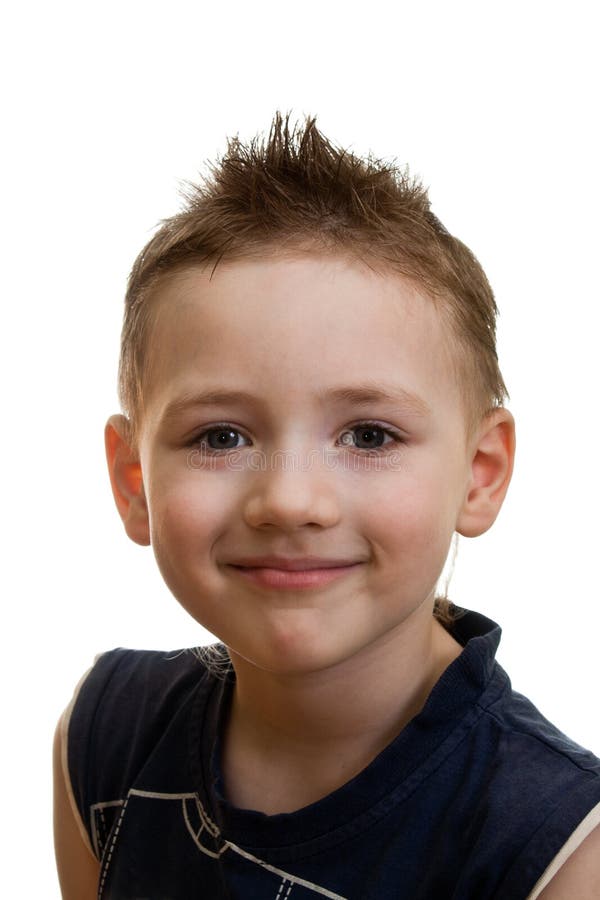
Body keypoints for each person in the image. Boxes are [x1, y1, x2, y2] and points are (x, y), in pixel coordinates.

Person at [53, 112, 600, 899]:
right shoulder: (105, 739)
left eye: (370, 435)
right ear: (133, 481)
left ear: (479, 474)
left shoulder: (555, 847)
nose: (289, 501)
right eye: (221, 435)